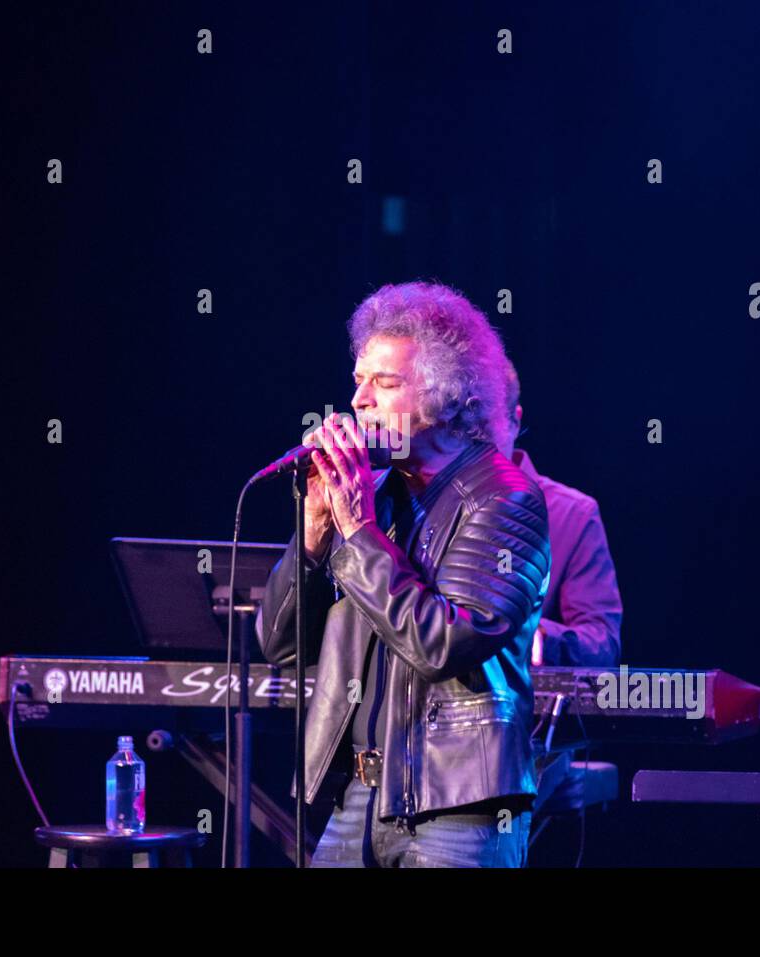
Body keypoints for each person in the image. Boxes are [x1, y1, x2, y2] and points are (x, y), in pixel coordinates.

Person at [256, 281, 550, 867]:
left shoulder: (504, 498)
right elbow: (281, 645)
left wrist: (360, 532)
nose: (358, 399)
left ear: (447, 396)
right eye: (359, 379)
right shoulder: (373, 494)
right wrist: (314, 533)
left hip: (459, 804)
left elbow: (442, 643)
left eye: (385, 383)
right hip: (358, 797)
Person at [496, 359, 622, 668]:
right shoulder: (416, 498)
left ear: (514, 421)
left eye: (483, 426)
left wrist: (540, 636)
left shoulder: (573, 513)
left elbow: (603, 643)